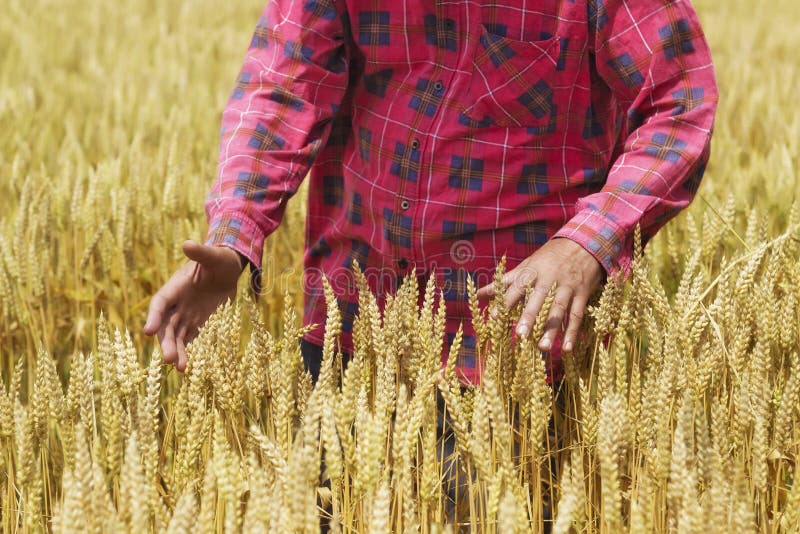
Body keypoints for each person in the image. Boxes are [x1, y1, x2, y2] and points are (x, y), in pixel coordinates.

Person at [144, 0, 717, 385]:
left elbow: (681, 104)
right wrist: (235, 234)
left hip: (515, 342)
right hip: (350, 321)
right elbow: (283, 83)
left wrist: (587, 245)